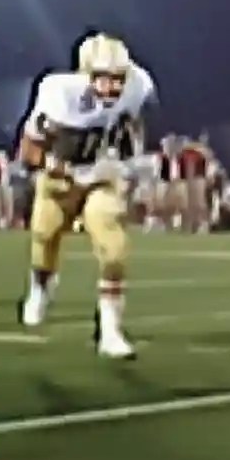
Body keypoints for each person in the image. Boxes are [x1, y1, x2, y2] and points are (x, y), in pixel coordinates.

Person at [15, 32, 155, 359]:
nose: (112, 88)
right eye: (103, 78)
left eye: (118, 79)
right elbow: (28, 151)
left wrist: (128, 163)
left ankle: (110, 331)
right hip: (60, 175)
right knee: (44, 236)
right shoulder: (58, 93)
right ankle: (41, 286)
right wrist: (62, 169)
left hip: (102, 175)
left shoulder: (138, 86)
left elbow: (136, 124)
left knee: (113, 247)